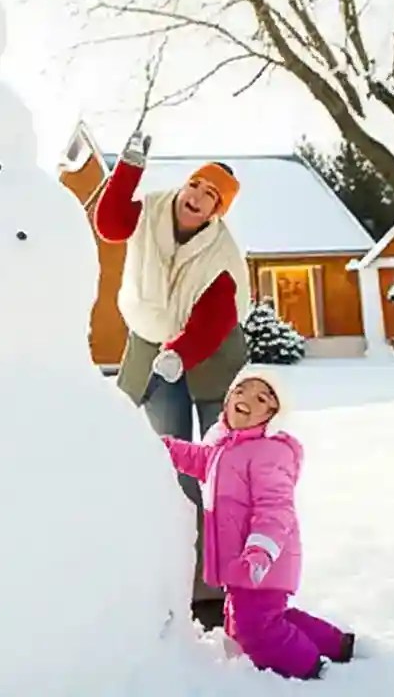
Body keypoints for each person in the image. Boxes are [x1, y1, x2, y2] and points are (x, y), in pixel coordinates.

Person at [93, 131, 252, 630]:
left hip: (207, 356)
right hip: (151, 343)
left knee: (214, 470)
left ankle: (212, 589)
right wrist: (129, 168)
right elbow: (111, 224)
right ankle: (164, 576)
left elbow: (213, 320)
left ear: (216, 211)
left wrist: (180, 354)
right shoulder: (151, 211)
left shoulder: (222, 256)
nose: (197, 197)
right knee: (168, 464)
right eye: (196, 185)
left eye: (210, 195)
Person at [161, 368, 355, 680]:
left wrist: (260, 552)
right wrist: (163, 447)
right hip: (242, 565)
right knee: (259, 619)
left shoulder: (269, 452)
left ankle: (310, 668)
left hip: (262, 562)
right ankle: (335, 643)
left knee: (256, 632)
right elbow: (196, 459)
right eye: (241, 391)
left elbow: (276, 509)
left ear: (271, 414)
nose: (247, 398)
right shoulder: (223, 450)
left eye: (261, 397)